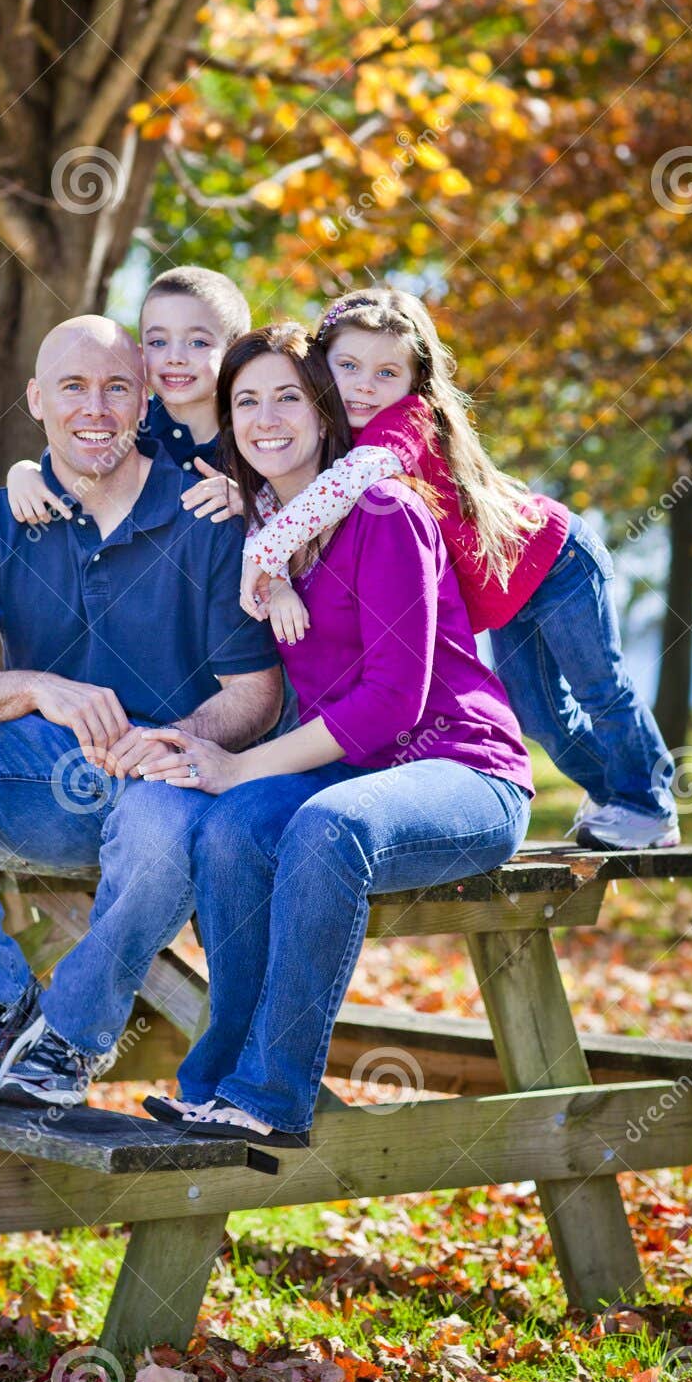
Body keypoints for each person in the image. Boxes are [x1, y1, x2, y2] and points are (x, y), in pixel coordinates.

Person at [133, 323, 533, 1148]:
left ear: (322, 414)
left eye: (288, 396)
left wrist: (241, 765)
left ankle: (272, 1095)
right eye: (246, 400)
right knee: (234, 826)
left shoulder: (385, 512)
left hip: (461, 771)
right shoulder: (267, 532)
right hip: (351, 771)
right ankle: (215, 1083)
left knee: (323, 827)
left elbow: (392, 702)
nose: (265, 416)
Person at [0, 315, 281, 1108]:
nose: (93, 407)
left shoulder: (205, 519)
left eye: (115, 388)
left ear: (142, 403)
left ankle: (72, 1031)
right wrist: (33, 688)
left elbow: (255, 693)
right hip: (41, 780)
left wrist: (176, 739)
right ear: (35, 399)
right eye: (72, 387)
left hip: (164, 785)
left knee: (163, 826)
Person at [240, 288, 679, 851]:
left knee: (599, 689)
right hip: (507, 587)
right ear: (319, 364)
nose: (364, 385)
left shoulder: (404, 423)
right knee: (541, 715)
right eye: (347, 366)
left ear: (413, 383)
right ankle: (617, 795)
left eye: (386, 371)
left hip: (555, 560)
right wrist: (273, 573)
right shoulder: (328, 431)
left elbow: (352, 480)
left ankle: (650, 804)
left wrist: (264, 550)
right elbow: (290, 496)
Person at [5, 265, 246, 526]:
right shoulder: (128, 427)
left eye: (198, 342)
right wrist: (25, 473)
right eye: (158, 342)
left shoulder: (252, 435)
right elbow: (72, 464)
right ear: (140, 356)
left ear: (233, 352)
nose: (175, 358)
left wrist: (251, 505)